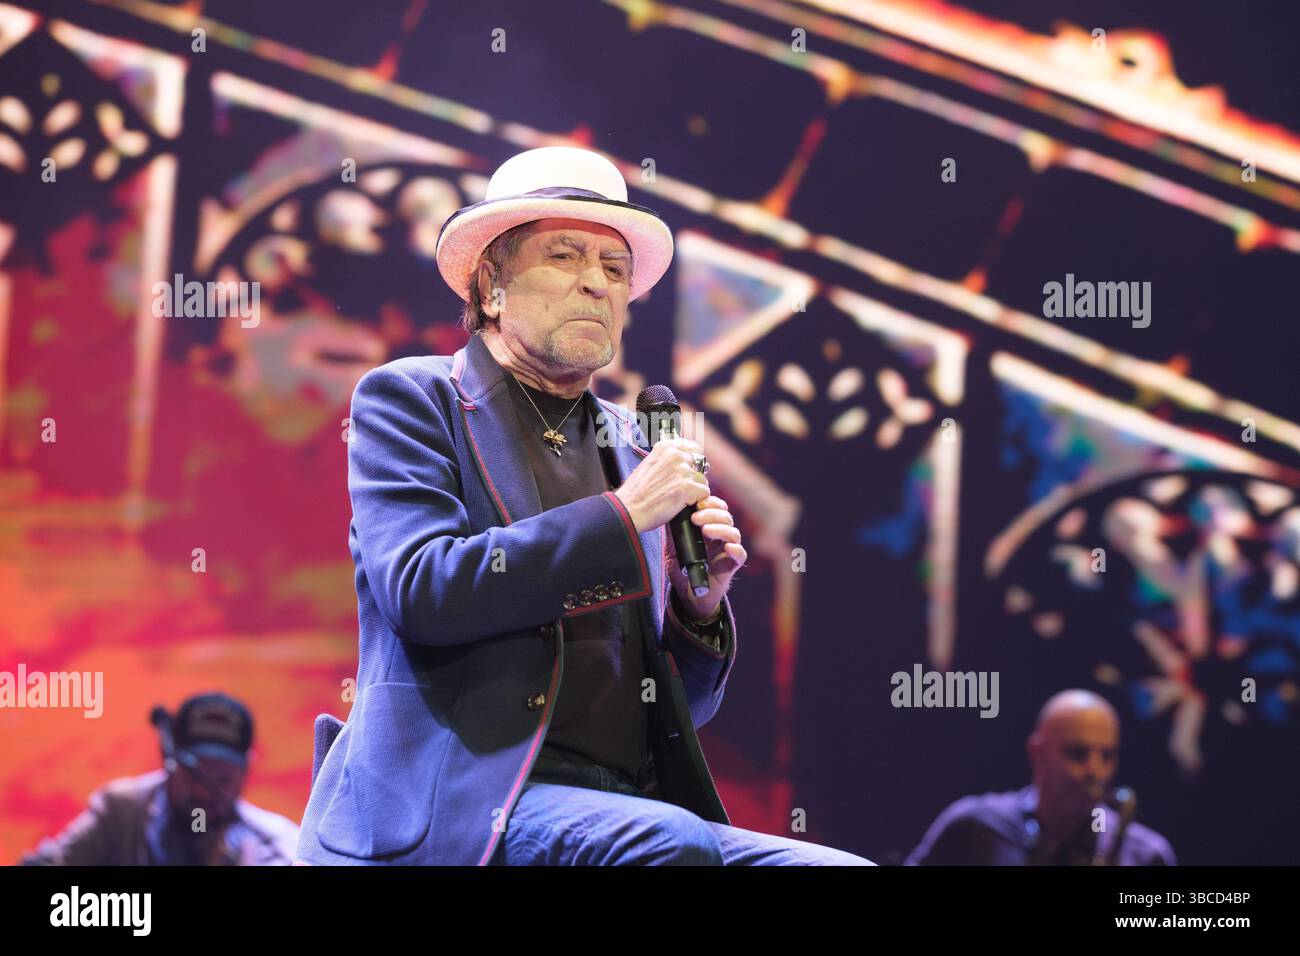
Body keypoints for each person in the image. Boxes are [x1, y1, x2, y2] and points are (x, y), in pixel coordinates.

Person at [296, 146, 871, 865]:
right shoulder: (414, 399)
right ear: (492, 286)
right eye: (565, 257)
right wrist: (623, 520)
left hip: (620, 801)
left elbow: (677, 710)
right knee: (673, 843)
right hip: (468, 802)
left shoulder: (630, 442)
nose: (596, 285)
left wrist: (696, 609)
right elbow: (423, 590)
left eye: (614, 269)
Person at [21, 692, 299, 865]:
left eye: (222, 780)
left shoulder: (279, 845)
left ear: (245, 773)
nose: (203, 793)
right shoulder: (121, 813)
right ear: (169, 759)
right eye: (194, 775)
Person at [906, 689, 1175, 865]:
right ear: (1037, 752)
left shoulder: (1145, 855)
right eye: (1078, 753)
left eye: (1106, 756)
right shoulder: (974, 827)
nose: (1095, 770)